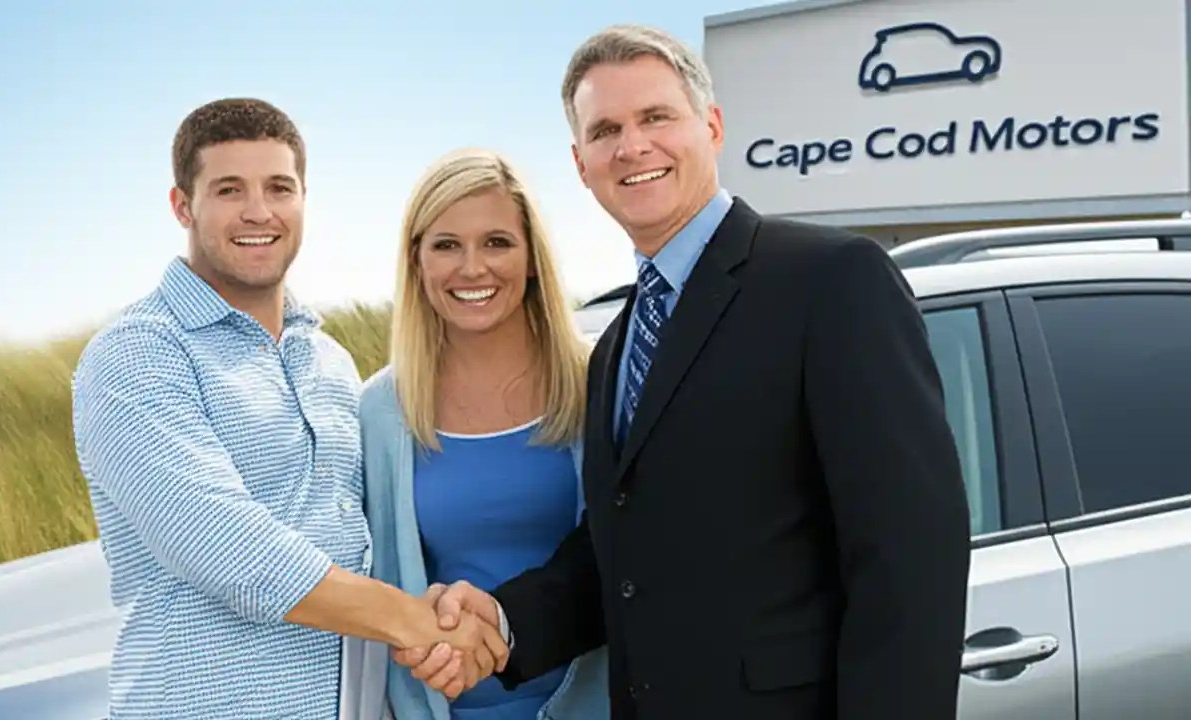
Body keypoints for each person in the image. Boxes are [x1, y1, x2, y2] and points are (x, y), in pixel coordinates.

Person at [400, 24, 973, 719]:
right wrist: (501, 617)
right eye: (606, 129)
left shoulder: (830, 282)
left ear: (712, 126)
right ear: (581, 163)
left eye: (655, 117)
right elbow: (621, 554)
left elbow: (909, 558)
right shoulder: (614, 347)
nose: (632, 146)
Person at [71, 98, 505, 720]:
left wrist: (459, 614)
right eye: (229, 189)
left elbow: (362, 539)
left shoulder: (327, 360)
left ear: (304, 199)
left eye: (279, 187)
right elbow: (221, 544)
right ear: (182, 206)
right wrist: (416, 622)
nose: (259, 211)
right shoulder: (136, 355)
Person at [360, 147, 610, 719]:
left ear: (530, 259)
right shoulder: (381, 410)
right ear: (416, 261)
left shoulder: (598, 384)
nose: (472, 268)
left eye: (496, 242)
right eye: (446, 245)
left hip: (597, 705)